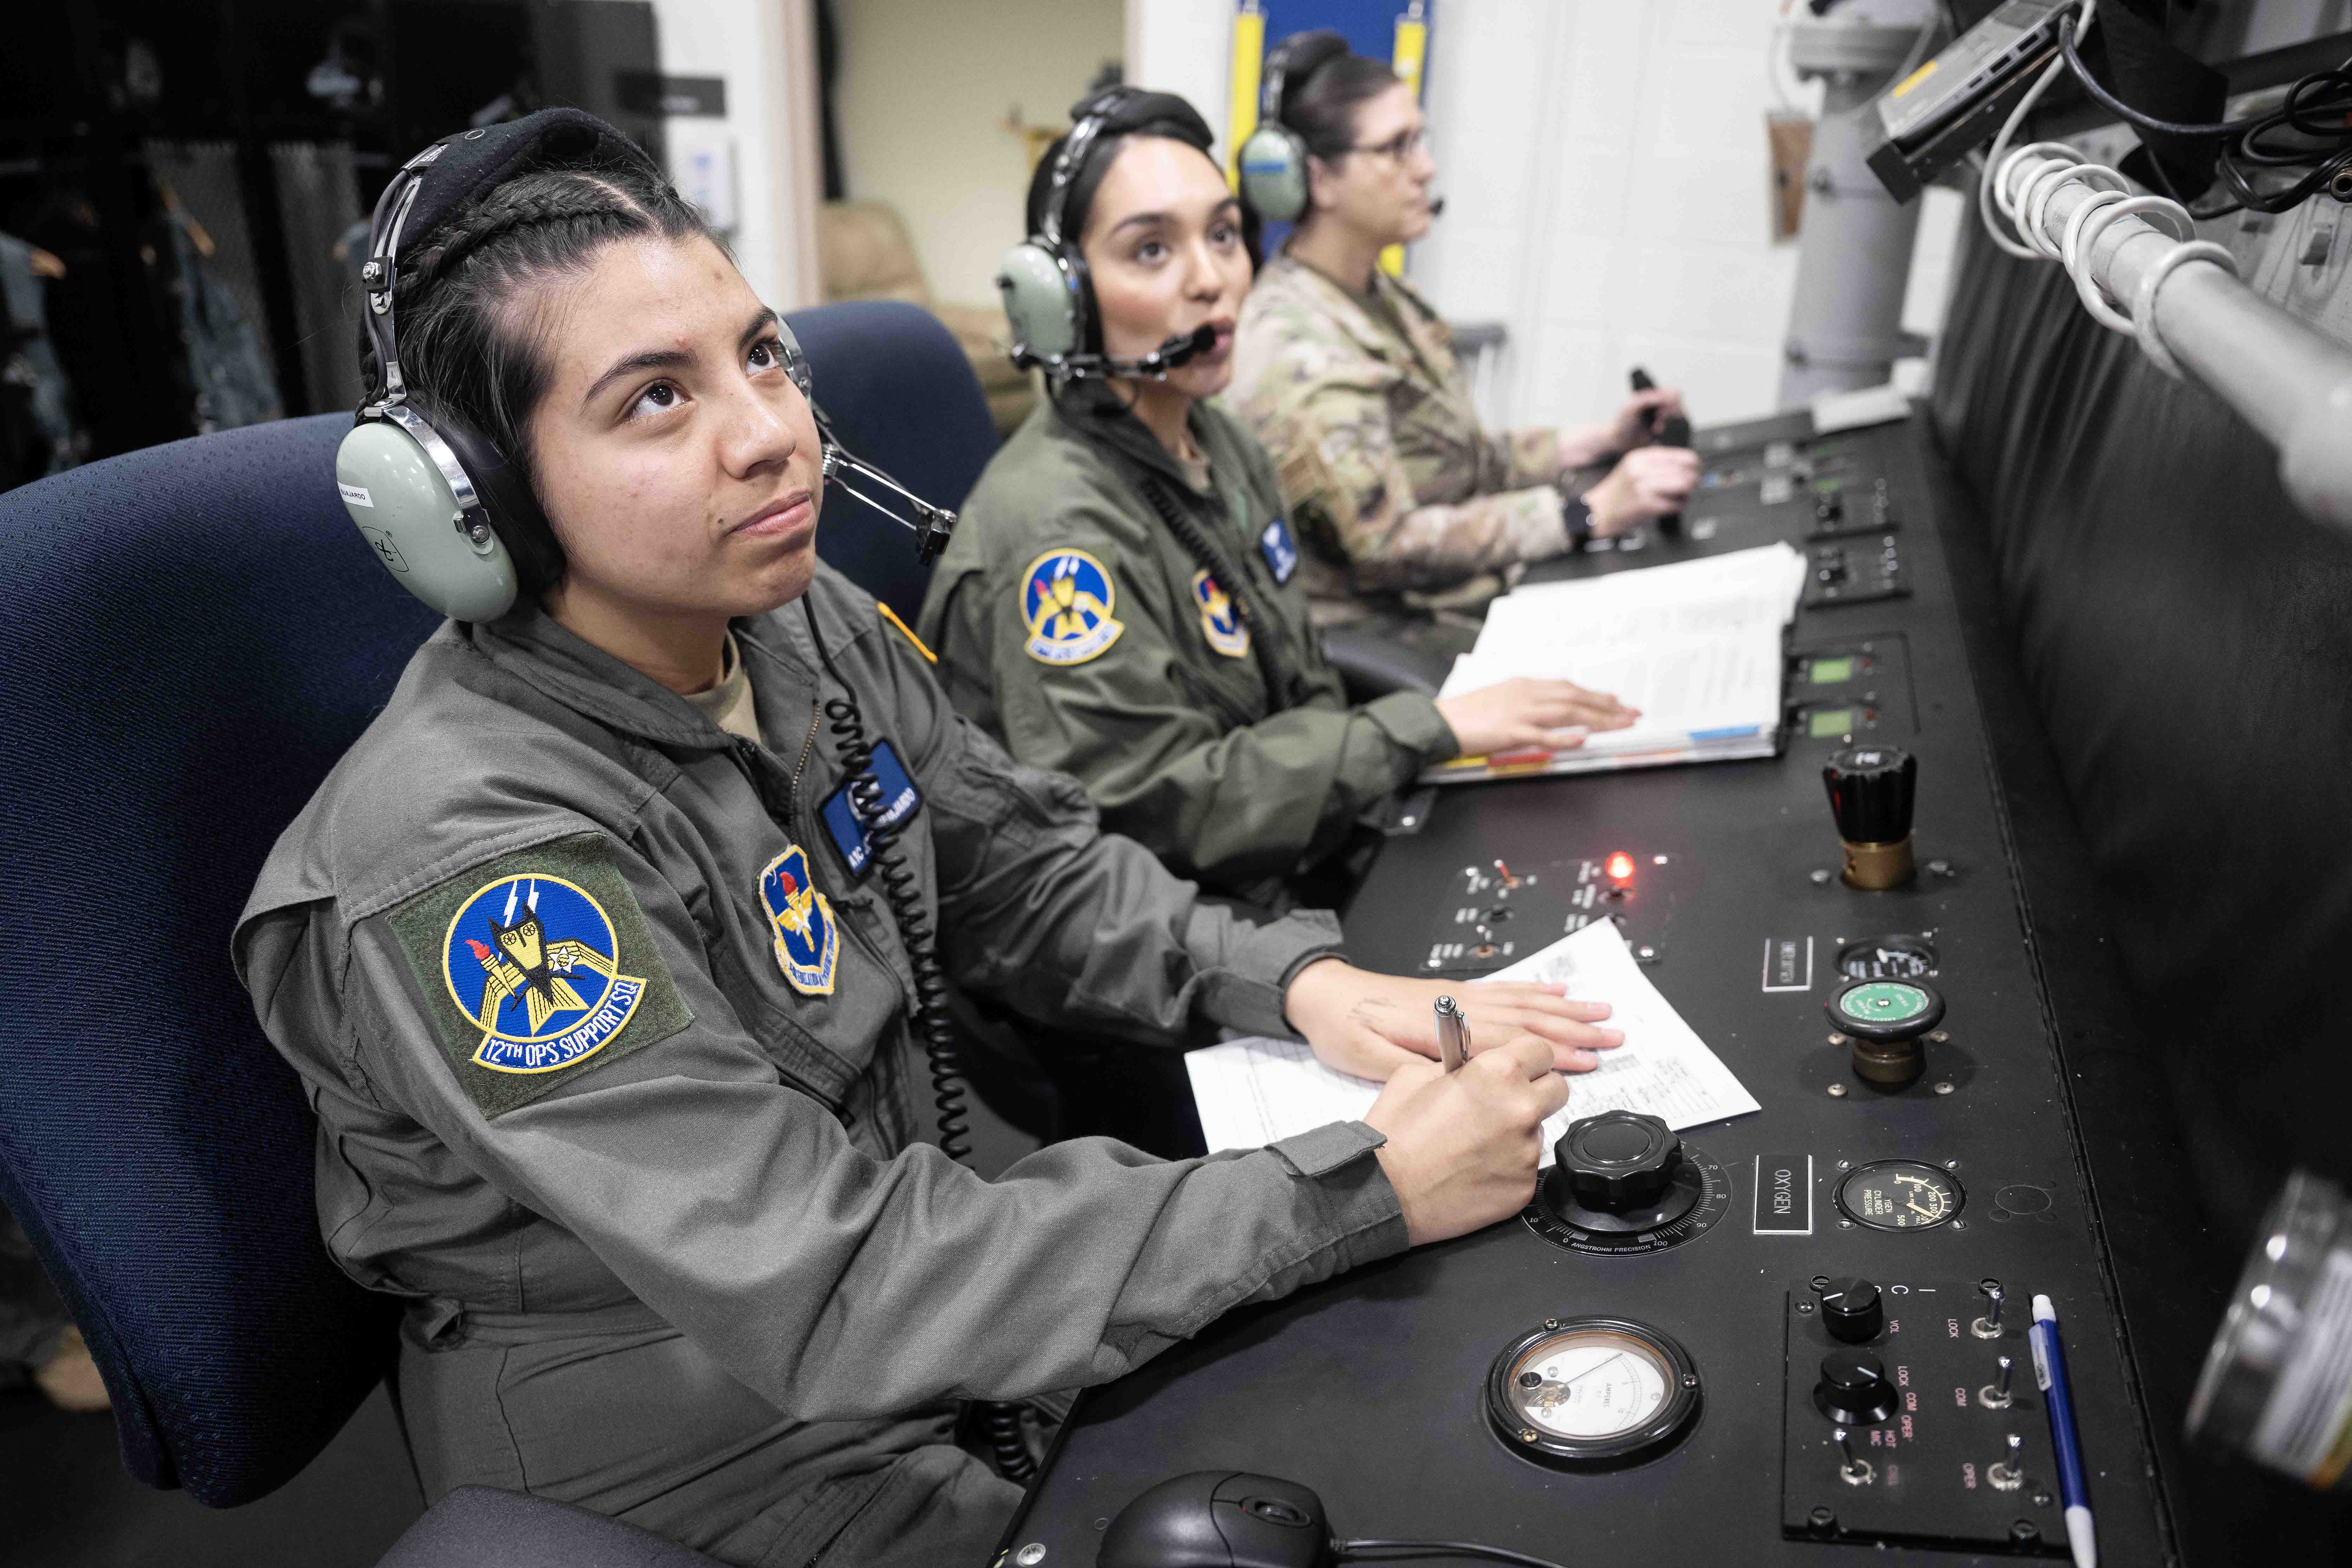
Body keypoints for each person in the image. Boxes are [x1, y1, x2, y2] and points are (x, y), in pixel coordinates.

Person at [234, 110, 1619, 1568]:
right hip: (683, 1422)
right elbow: (825, 1280)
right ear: (473, 502)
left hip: (920, 1291)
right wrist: (1356, 1182)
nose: (773, 433)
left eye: (762, 356)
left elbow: (1020, 862)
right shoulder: (472, 857)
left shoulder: (789, 621)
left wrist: (1292, 983)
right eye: (654, 398)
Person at [922, 89, 1637, 908]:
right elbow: (1154, 812)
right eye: (1151, 250)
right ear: (1062, 299)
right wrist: (1419, 732)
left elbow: (1296, 690)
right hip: (1183, 925)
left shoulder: (1221, 444)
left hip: (1282, 854)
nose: (1213, 281)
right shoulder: (1055, 536)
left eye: (1224, 236)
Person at [1227, 32, 1704, 651]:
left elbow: (1459, 464)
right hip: (1393, 638)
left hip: (1454, 603)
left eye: (1418, 142)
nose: (1425, 168)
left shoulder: (1383, 299)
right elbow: (1387, 545)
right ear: (1317, 178)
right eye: (1397, 149)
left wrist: (1598, 443)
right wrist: (1584, 514)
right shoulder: (1297, 350)